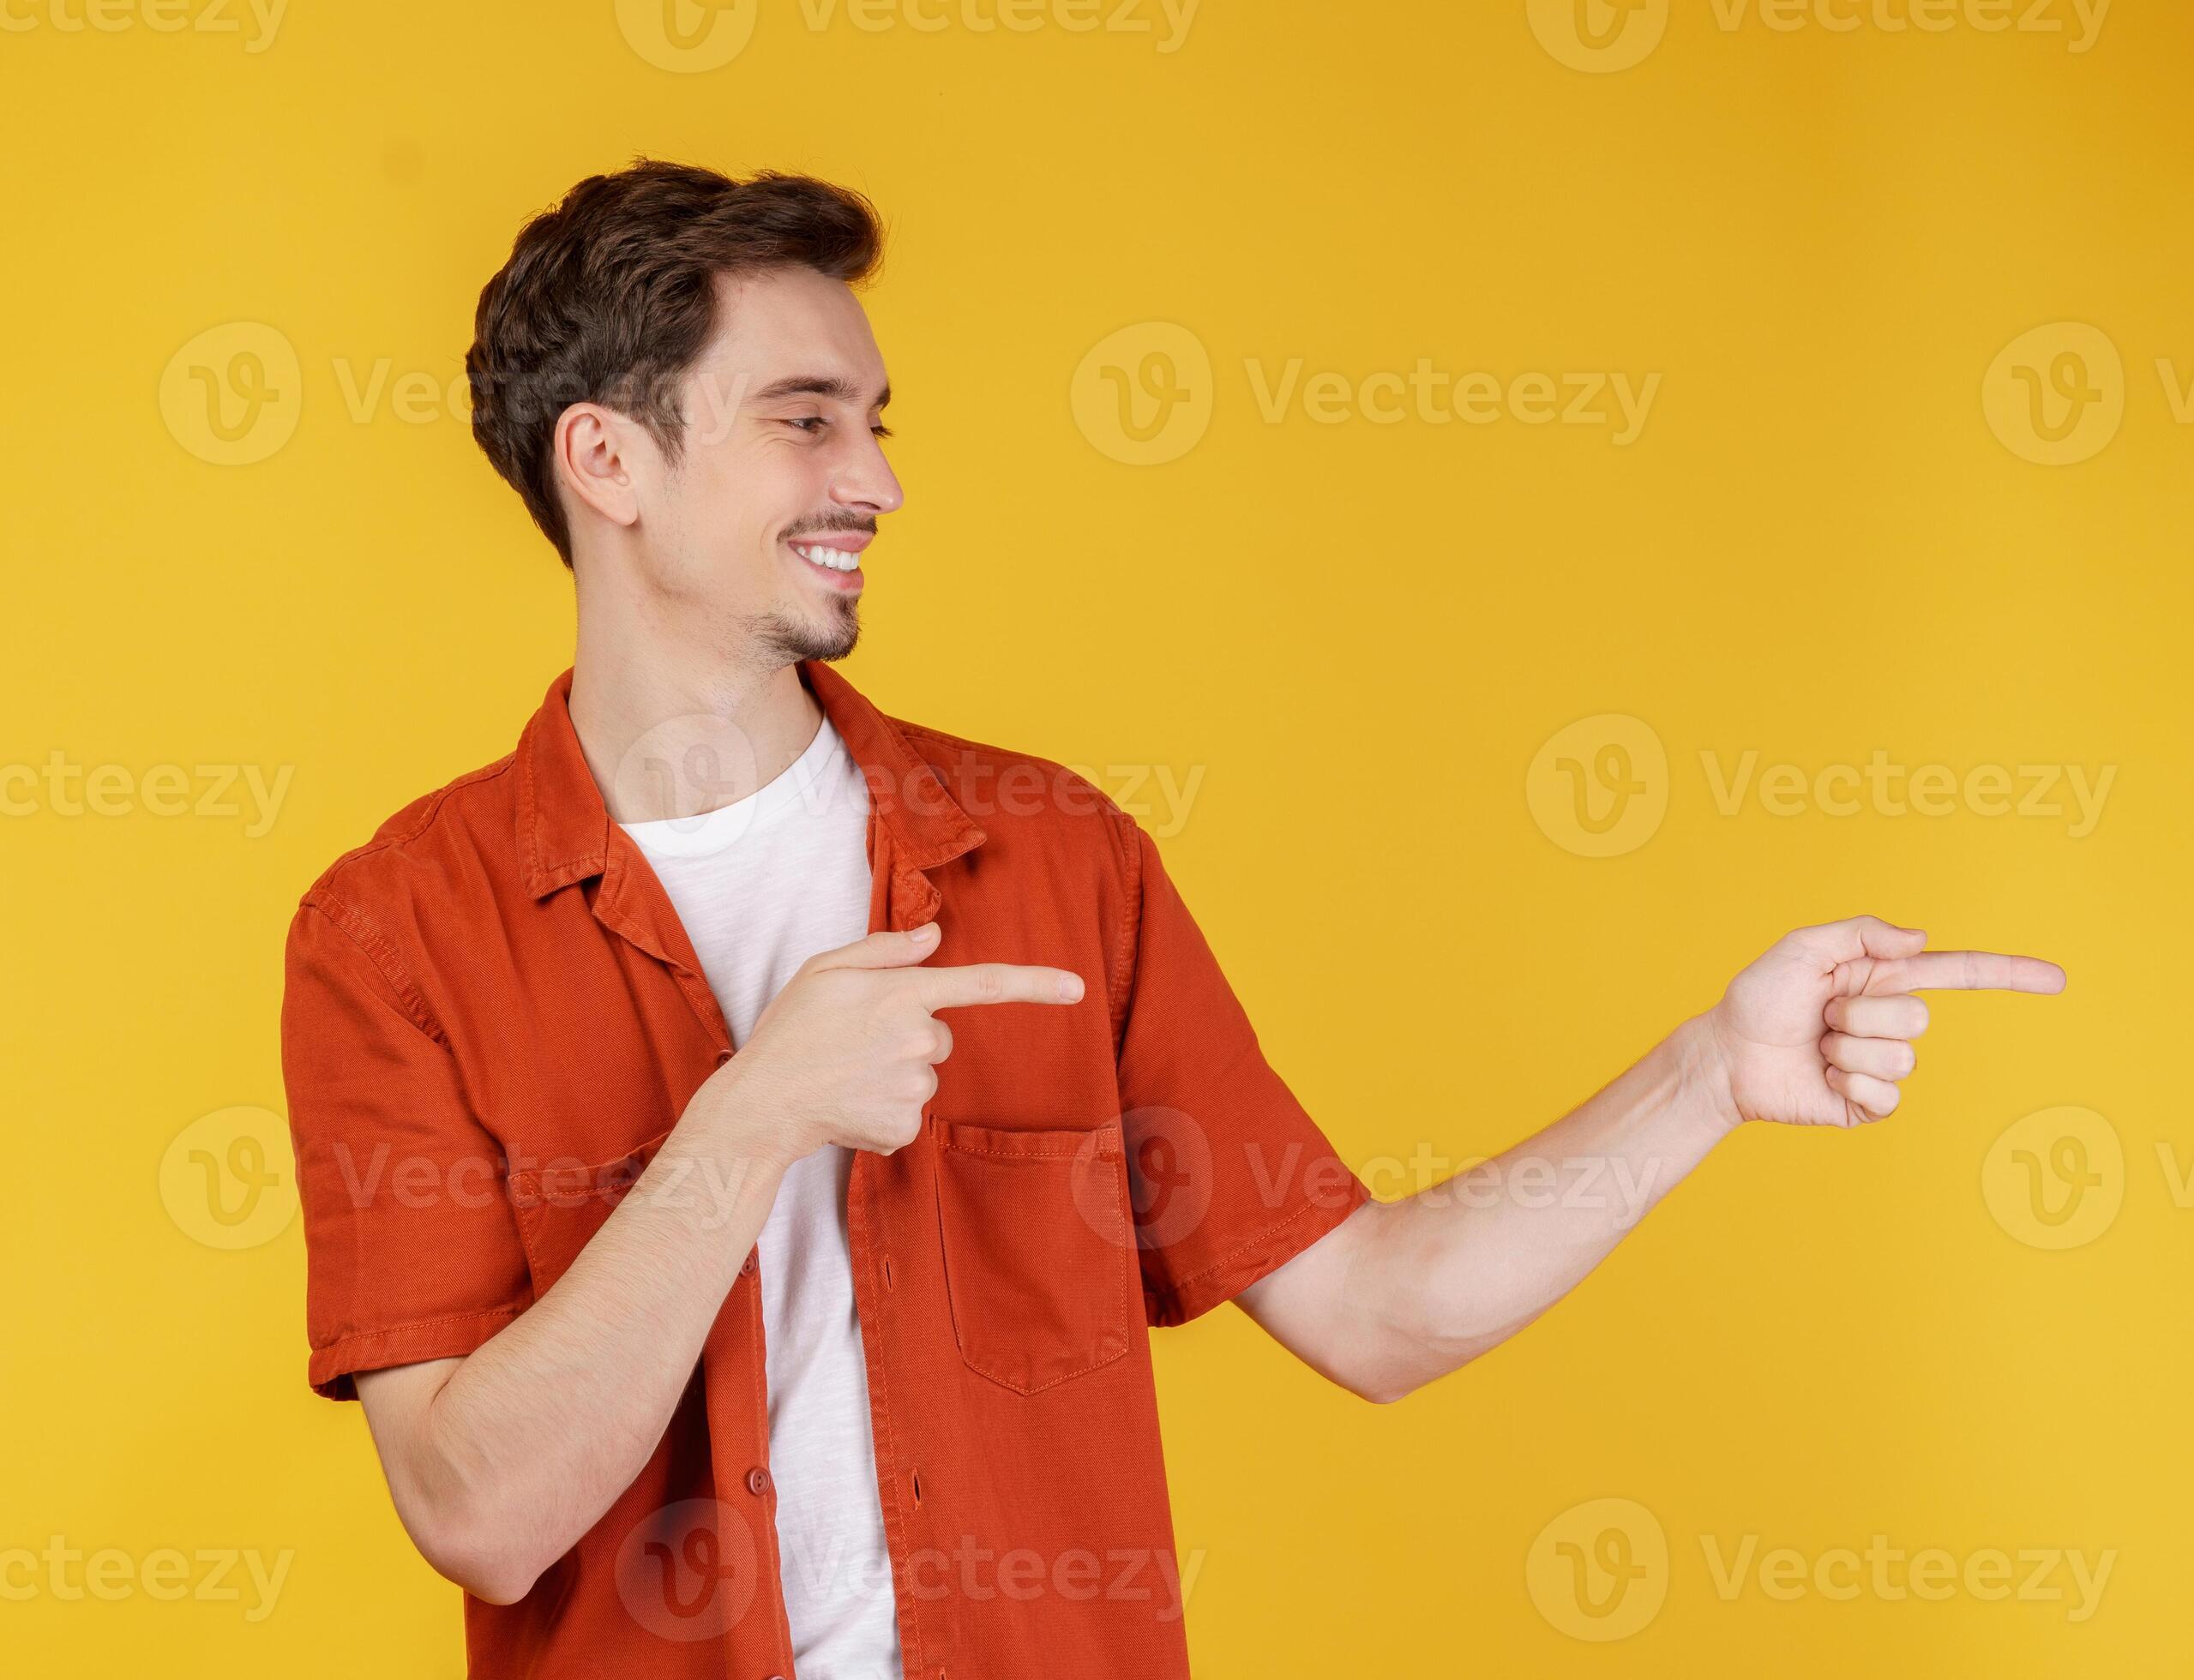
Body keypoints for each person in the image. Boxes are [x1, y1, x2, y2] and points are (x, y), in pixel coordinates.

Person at [278, 159, 2067, 1680]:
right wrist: (752, 1119)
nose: (876, 481)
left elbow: (1373, 1309)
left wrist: (1708, 1074)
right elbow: (479, 1512)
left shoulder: (1053, 858)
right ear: (607, 459)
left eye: (876, 423)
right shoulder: (395, 937)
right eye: (805, 419)